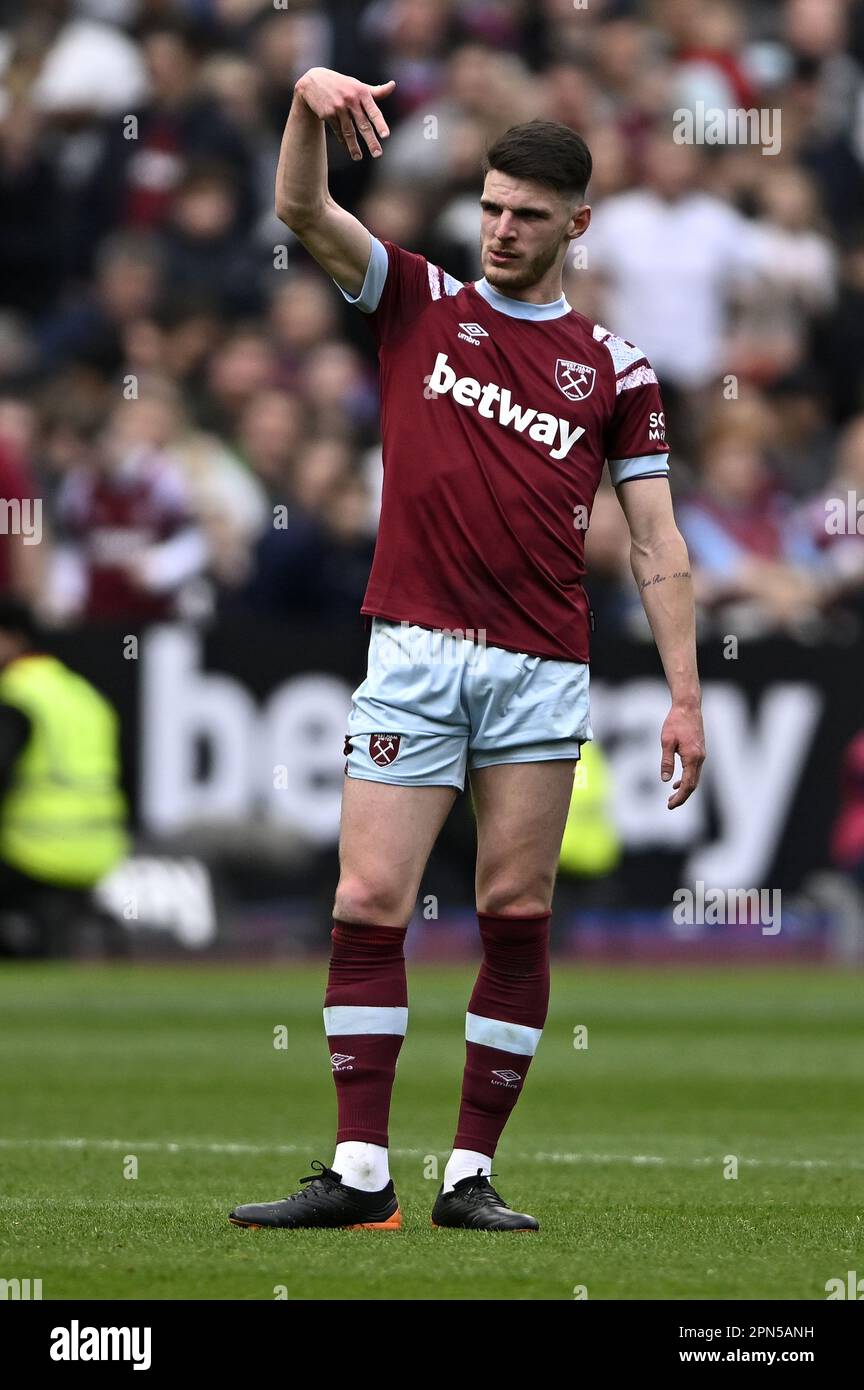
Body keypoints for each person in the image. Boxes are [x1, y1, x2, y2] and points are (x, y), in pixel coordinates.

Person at [229, 67, 705, 1234]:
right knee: (369, 898)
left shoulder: (617, 369)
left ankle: (467, 1173)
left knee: (514, 908)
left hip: (543, 665)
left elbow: (658, 541)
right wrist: (304, 104)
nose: (502, 229)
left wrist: (687, 694)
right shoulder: (418, 301)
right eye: (492, 206)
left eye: (529, 216)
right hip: (413, 651)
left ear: (575, 225)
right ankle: (359, 1170)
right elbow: (302, 211)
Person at [0, 598, 128, 956]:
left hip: (33, 853)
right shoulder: (84, 695)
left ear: (12, 638)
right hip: (98, 855)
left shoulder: (16, 697)